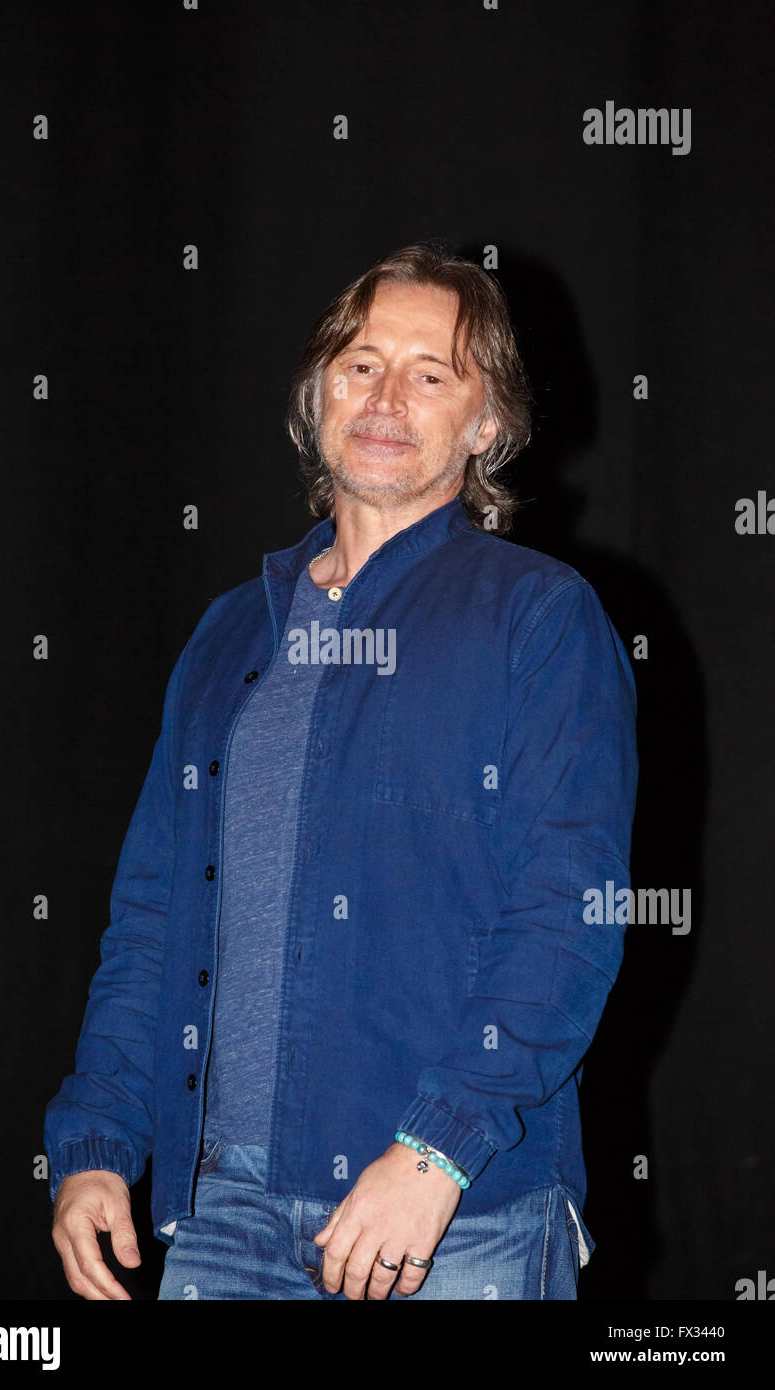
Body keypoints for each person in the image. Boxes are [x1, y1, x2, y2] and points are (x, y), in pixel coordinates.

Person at [44, 241, 638, 1301]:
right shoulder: (228, 636)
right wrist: (98, 1136)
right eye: (360, 362)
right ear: (318, 391)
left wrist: (434, 1150)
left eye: (429, 372)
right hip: (226, 1214)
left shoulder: (539, 619)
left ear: (486, 423)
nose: (383, 396)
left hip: (456, 1219)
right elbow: (151, 915)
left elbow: (568, 912)